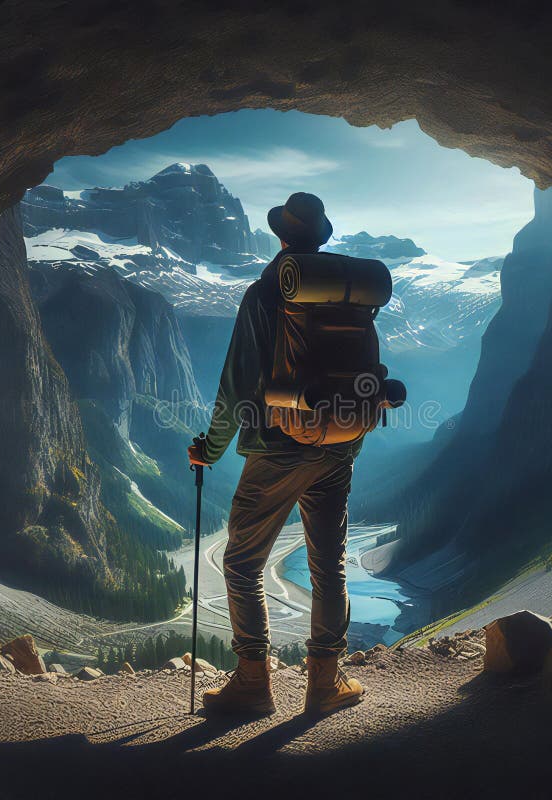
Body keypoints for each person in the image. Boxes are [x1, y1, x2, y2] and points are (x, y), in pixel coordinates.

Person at [187, 192, 364, 717]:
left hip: (280, 447)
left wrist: (209, 449)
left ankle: (253, 684)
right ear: (319, 237)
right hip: (338, 444)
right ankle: (325, 684)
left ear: (282, 237)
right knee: (327, 565)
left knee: (241, 562)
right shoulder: (347, 291)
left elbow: (237, 387)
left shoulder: (267, 292)